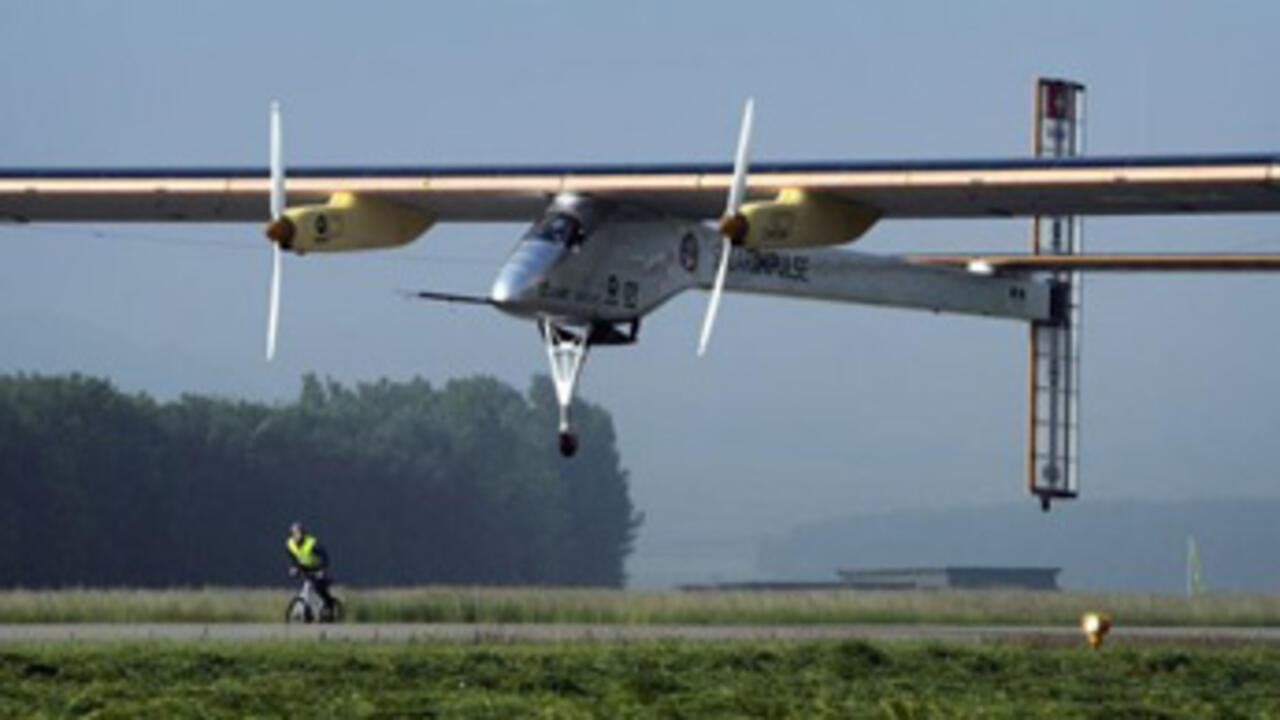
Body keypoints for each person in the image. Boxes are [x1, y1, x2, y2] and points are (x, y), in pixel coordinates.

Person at [285, 521, 335, 613]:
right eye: (294, 534)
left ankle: (329, 604)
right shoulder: (290, 544)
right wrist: (293, 567)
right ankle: (306, 610)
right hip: (304, 567)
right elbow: (292, 557)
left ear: (303, 534)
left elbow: (324, 555)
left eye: (298, 533)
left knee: (318, 588)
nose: (296, 536)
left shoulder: (311, 543)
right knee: (305, 587)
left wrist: (321, 568)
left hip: (316, 567)